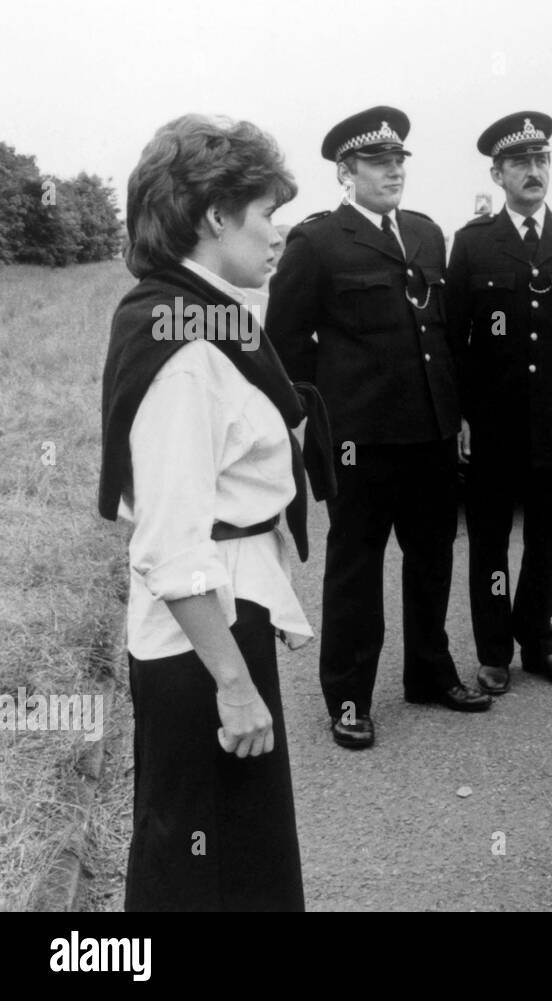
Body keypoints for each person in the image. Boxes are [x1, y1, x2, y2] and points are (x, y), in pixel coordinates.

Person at [99, 113, 330, 910]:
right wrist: (233, 681)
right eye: (265, 212)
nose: (278, 234)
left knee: (231, 853)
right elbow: (167, 544)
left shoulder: (201, 316)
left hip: (222, 619)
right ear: (213, 217)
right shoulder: (189, 351)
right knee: (205, 866)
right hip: (203, 643)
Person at [267, 106, 491, 751]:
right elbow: (284, 340)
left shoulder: (426, 235)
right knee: (355, 570)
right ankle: (348, 698)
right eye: (376, 162)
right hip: (359, 439)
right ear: (346, 172)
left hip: (431, 431)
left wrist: (456, 412)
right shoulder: (318, 242)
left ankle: (430, 673)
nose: (392, 171)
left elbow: (441, 333)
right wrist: (336, 397)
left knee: (432, 559)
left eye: (398, 161)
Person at [447, 111, 552, 694]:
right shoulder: (472, 244)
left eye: (541, 161)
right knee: (490, 541)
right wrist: (461, 414)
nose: (534, 171)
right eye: (520, 163)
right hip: (493, 426)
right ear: (498, 174)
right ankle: (494, 652)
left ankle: (540, 644)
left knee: (548, 540)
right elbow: (454, 340)